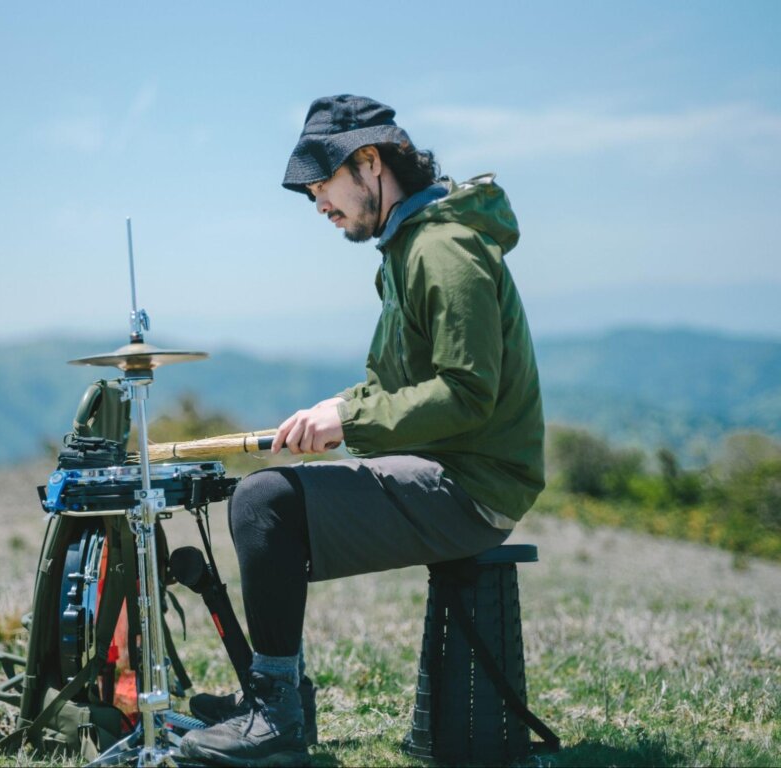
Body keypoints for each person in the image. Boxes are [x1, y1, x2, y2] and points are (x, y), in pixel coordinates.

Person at [181, 94, 545, 766]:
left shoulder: (444, 248)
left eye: (323, 185)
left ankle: (277, 718)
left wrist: (349, 418)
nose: (318, 204)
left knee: (266, 503)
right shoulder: (410, 247)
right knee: (264, 499)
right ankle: (274, 699)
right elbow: (396, 386)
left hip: (473, 485)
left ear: (370, 162)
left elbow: (468, 393)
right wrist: (338, 406)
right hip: (450, 469)